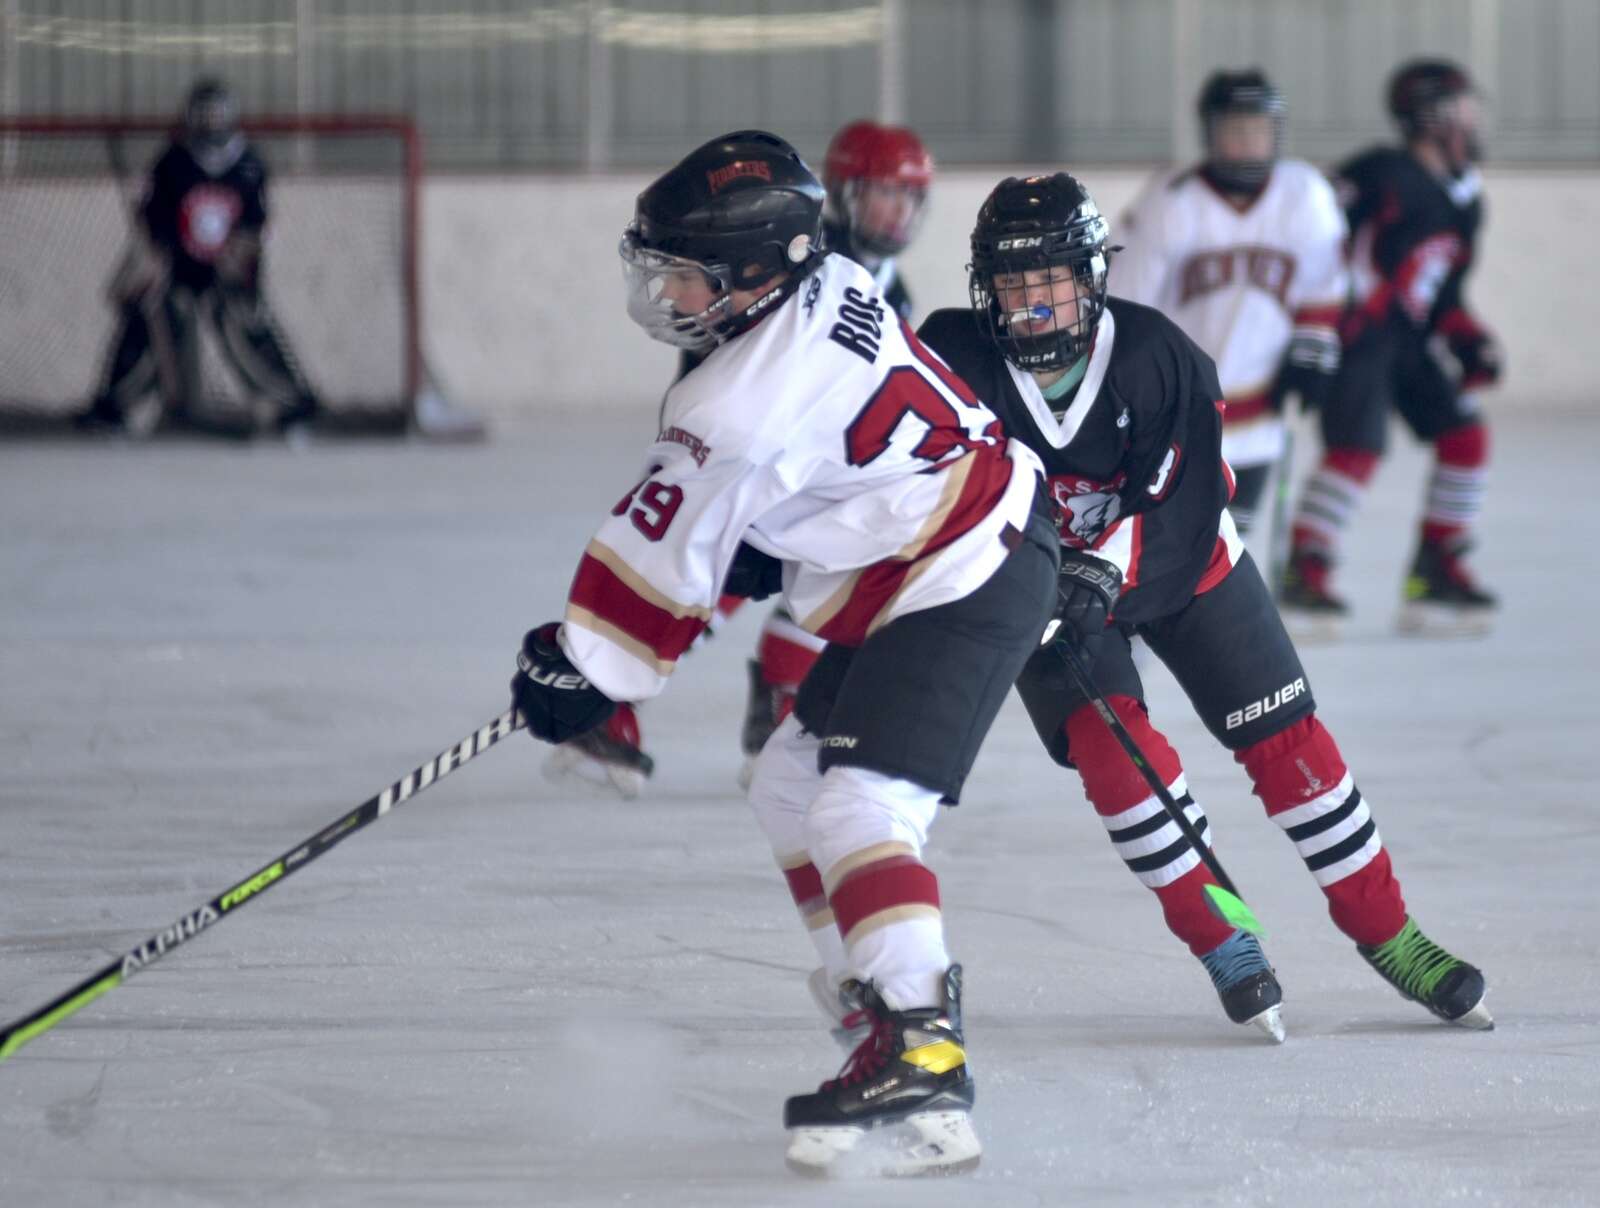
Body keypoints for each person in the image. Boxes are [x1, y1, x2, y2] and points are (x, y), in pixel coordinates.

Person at [509, 130, 1057, 1176]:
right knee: (788, 781)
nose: (667, 291)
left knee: (860, 809)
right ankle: (874, 1006)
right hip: (929, 552)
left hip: (964, 566)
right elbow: (802, 469)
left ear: (759, 274)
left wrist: (578, 666)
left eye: (688, 272)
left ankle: (923, 1050)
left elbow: (660, 564)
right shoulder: (834, 278)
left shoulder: (730, 405)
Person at [914, 171, 1492, 1044]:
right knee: (1115, 758)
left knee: (1290, 745)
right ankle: (1224, 936)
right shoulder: (952, 357)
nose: (1031, 304)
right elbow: (929, 481)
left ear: (1091, 277)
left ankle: (1388, 931)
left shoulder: (1156, 356)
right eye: (1012, 282)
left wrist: (1097, 571)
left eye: (1050, 280)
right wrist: (1014, 572)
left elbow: (1182, 507)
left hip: (1181, 566)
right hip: (1046, 593)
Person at [545, 120, 937, 796]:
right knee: (697, 572)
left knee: (829, 559)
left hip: (806, 460)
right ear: (846, 192)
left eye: (910, 197)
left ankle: (775, 692)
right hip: (736, 448)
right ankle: (612, 697)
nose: (897, 211)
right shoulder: (781, 252)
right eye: (884, 193)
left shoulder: (886, 283)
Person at [1280, 59, 1501, 635]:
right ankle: (1306, 564)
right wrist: (1313, 320)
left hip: (1407, 339)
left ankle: (1437, 564)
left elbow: (1442, 291)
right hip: (1357, 336)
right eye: (1463, 109)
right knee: (1357, 448)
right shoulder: (1381, 174)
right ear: (1431, 116)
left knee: (1465, 436)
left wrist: (1467, 337)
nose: (1473, 120)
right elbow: (1313, 229)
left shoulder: (1466, 198)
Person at [1116, 69, 1346, 539]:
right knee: (1174, 547)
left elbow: (1324, 287)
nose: (1247, 144)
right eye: (1234, 131)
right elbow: (1126, 300)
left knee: (1228, 547)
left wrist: (1310, 353)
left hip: (1262, 413)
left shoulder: (1304, 194)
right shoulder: (1172, 201)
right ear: (1210, 134)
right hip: (1181, 416)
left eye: (1258, 130)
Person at [74, 77, 320, 437]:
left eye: (217, 114)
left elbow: (256, 226)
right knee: (147, 323)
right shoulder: (173, 162)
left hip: (229, 271)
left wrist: (239, 260)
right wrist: (153, 263)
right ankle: (113, 407)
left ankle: (293, 404)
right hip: (178, 268)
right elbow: (154, 223)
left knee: (249, 326)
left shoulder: (249, 164)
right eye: (204, 114)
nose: (211, 122)